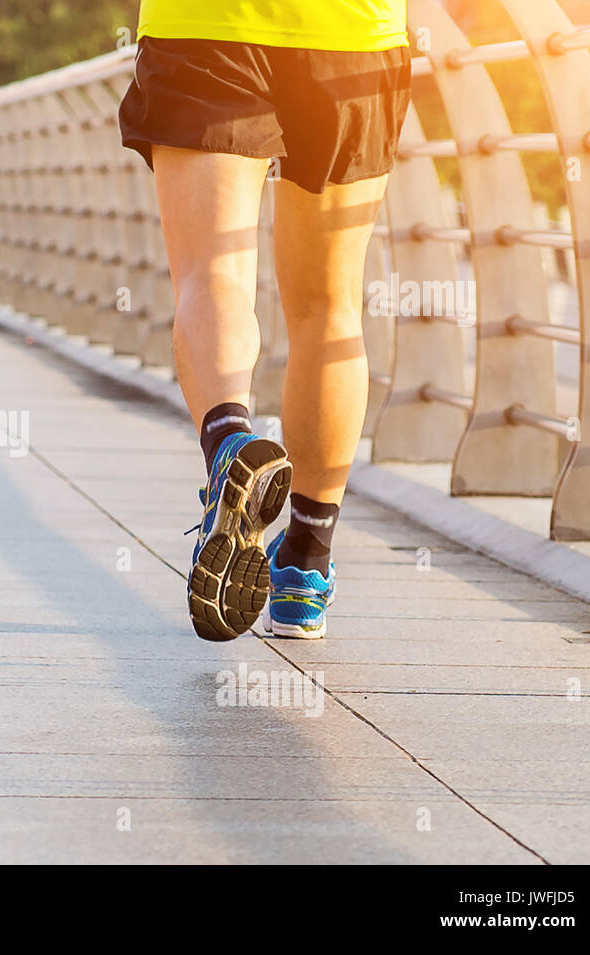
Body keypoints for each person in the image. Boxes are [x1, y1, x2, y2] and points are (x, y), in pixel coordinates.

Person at [118, 1, 410, 640]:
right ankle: (305, 564)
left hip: (206, 28)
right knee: (329, 306)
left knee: (210, 277)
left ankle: (229, 444)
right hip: (352, 36)